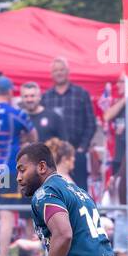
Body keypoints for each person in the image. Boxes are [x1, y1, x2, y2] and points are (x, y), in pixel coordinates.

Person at [0, 76, 37, 255]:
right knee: (6, 214)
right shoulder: (16, 113)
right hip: (5, 170)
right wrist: (23, 140)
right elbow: (34, 137)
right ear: (10, 92)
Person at [40, 58, 97, 190]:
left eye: (62, 69)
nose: (59, 73)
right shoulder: (46, 97)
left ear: (67, 72)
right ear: (51, 74)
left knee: (80, 192)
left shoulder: (81, 94)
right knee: (54, 191)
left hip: (77, 154)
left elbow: (91, 124)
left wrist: (82, 147)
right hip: (52, 157)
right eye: (56, 70)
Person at [20, 81, 66, 145]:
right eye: (26, 96)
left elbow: (63, 143)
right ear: (21, 98)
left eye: (32, 96)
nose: (29, 99)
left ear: (39, 97)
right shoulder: (17, 117)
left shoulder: (54, 117)